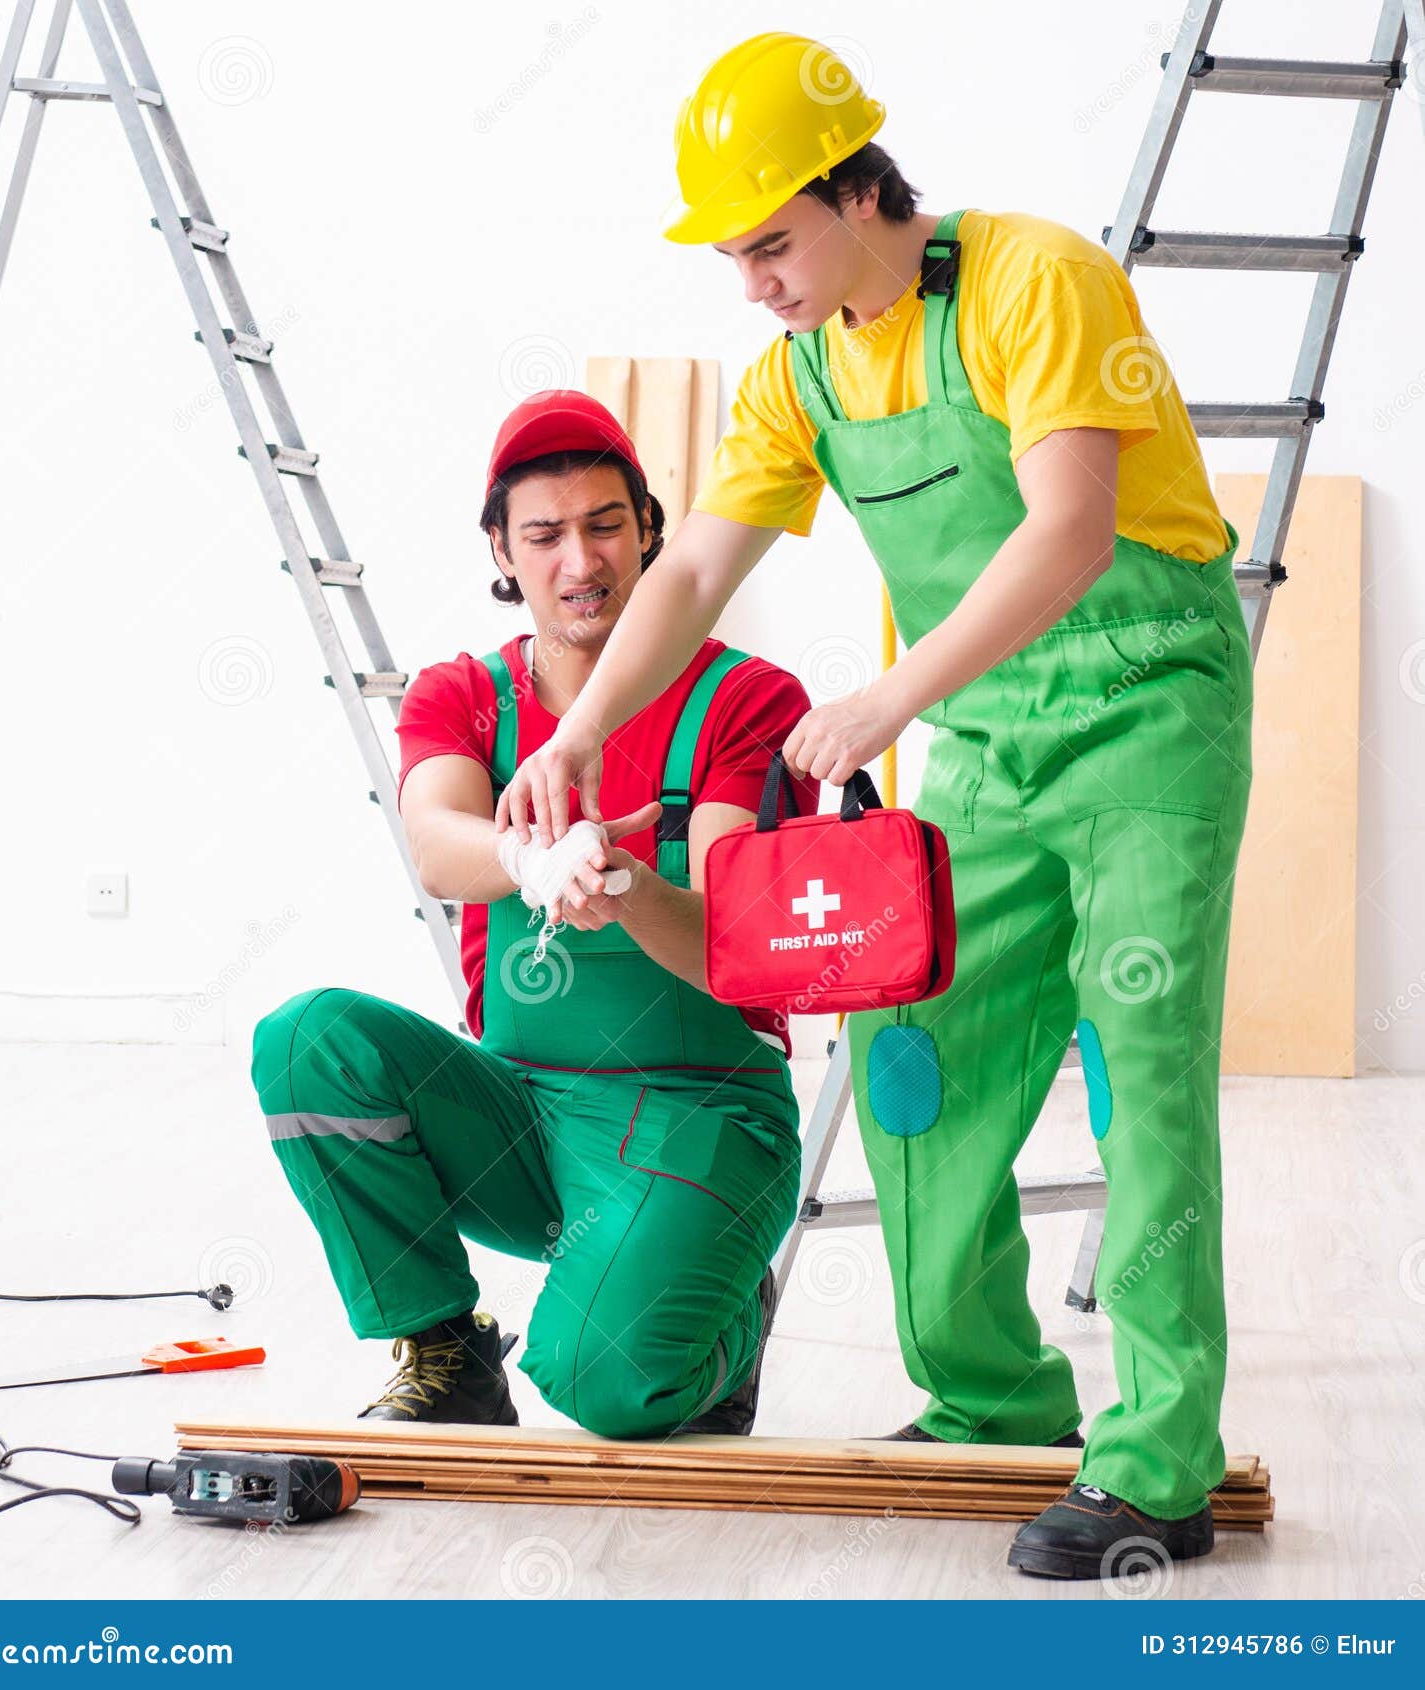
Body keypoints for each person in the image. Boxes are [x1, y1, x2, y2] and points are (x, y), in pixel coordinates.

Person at [495, 34, 1253, 1578]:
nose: (756, 281)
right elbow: (695, 567)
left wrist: (888, 698)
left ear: (857, 188)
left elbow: (1070, 526)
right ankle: (995, 1401)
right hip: (983, 741)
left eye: (773, 241)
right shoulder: (805, 376)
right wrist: (580, 724)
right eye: (738, 255)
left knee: (1144, 1059)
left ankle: (1160, 1458)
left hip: (1149, 707)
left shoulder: (1040, 283)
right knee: (913, 1066)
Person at [250, 390, 818, 1438]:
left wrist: (629, 887)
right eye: (545, 535)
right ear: (502, 552)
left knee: (604, 1386)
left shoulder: (748, 702)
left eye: (606, 524)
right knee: (307, 1041)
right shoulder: (465, 693)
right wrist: (528, 854)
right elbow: (436, 843)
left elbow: (743, 949)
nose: (581, 562)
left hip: (703, 1115)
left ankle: (730, 1310)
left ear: (651, 528)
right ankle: (448, 1352)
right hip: (526, 1111)